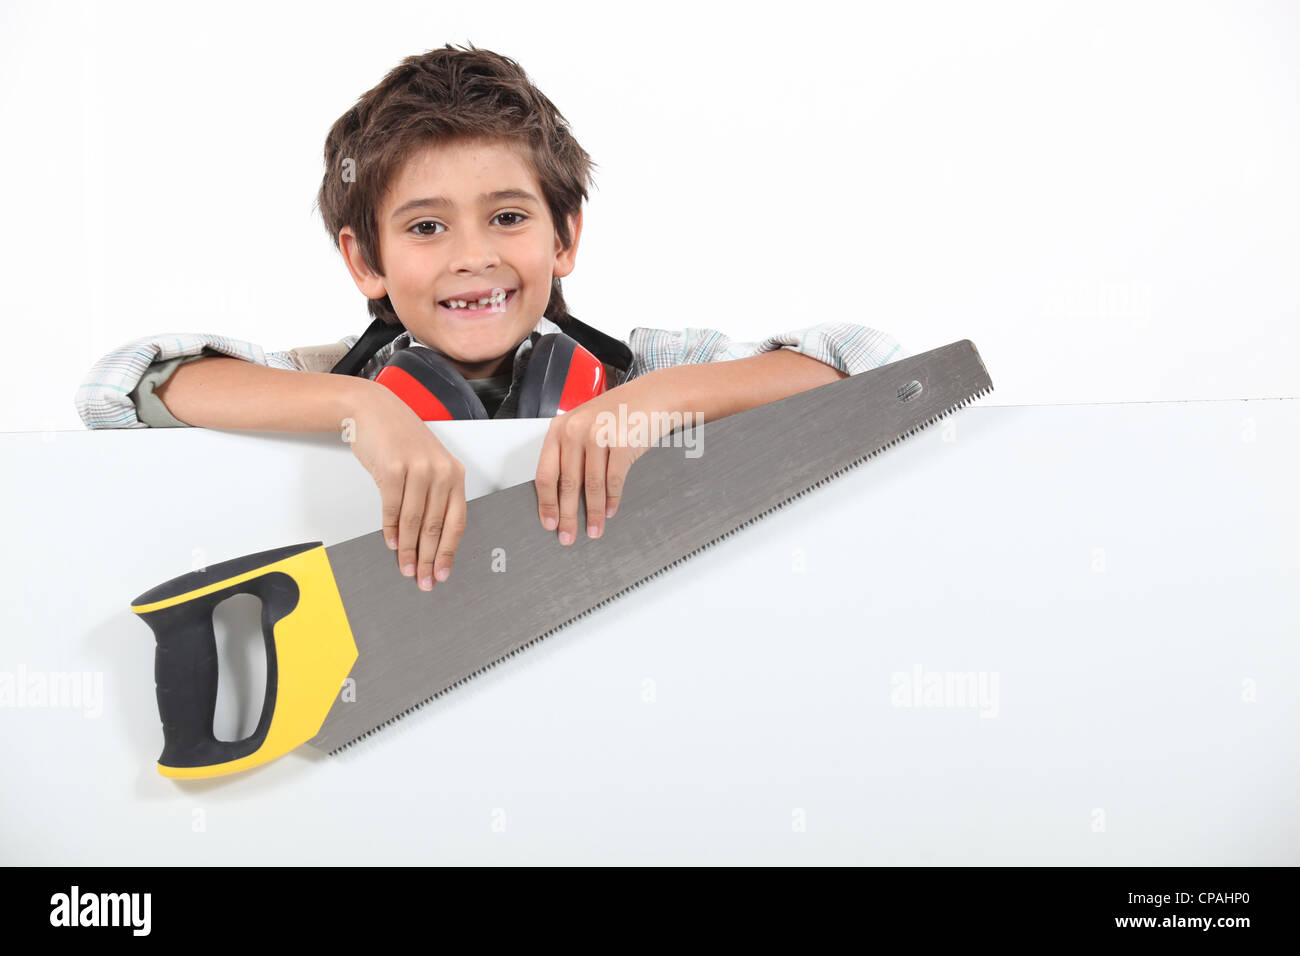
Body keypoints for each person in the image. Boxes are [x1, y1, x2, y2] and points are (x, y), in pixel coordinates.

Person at [75, 43, 907, 594]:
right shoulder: (328, 381)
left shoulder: (643, 366)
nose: (471, 256)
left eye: (507, 217)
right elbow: (125, 386)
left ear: (565, 237)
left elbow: (875, 370)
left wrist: (656, 401)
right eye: (427, 227)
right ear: (366, 261)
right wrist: (363, 408)